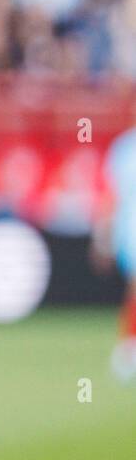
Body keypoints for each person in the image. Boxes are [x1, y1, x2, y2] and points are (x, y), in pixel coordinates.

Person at [91, 105, 136, 383]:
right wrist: (104, 237)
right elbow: (110, 197)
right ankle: (127, 350)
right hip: (130, 230)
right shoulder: (125, 149)